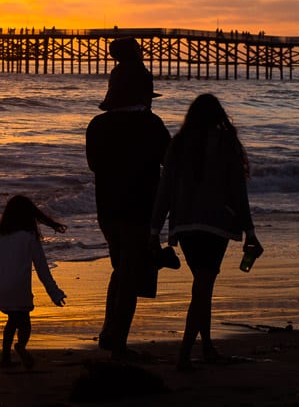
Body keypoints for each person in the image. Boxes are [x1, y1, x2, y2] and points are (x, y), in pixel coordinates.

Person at [150, 93, 261, 371]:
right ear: (219, 116)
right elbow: (238, 191)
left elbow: (164, 191)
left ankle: (207, 347)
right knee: (202, 287)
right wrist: (250, 230)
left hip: (185, 225)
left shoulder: (178, 144)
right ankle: (185, 353)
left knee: (203, 286)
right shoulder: (226, 145)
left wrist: (155, 229)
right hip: (216, 225)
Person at [86, 37, 171, 360]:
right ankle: (117, 341)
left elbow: (95, 165)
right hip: (140, 209)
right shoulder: (150, 125)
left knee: (121, 269)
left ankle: (110, 332)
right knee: (130, 274)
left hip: (107, 208)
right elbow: (170, 161)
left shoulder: (98, 126)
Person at [0, 195, 67, 369]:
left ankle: (5, 358)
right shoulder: (29, 237)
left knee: (13, 319)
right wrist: (54, 293)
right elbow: (42, 269)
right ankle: (20, 347)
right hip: (18, 289)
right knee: (23, 321)